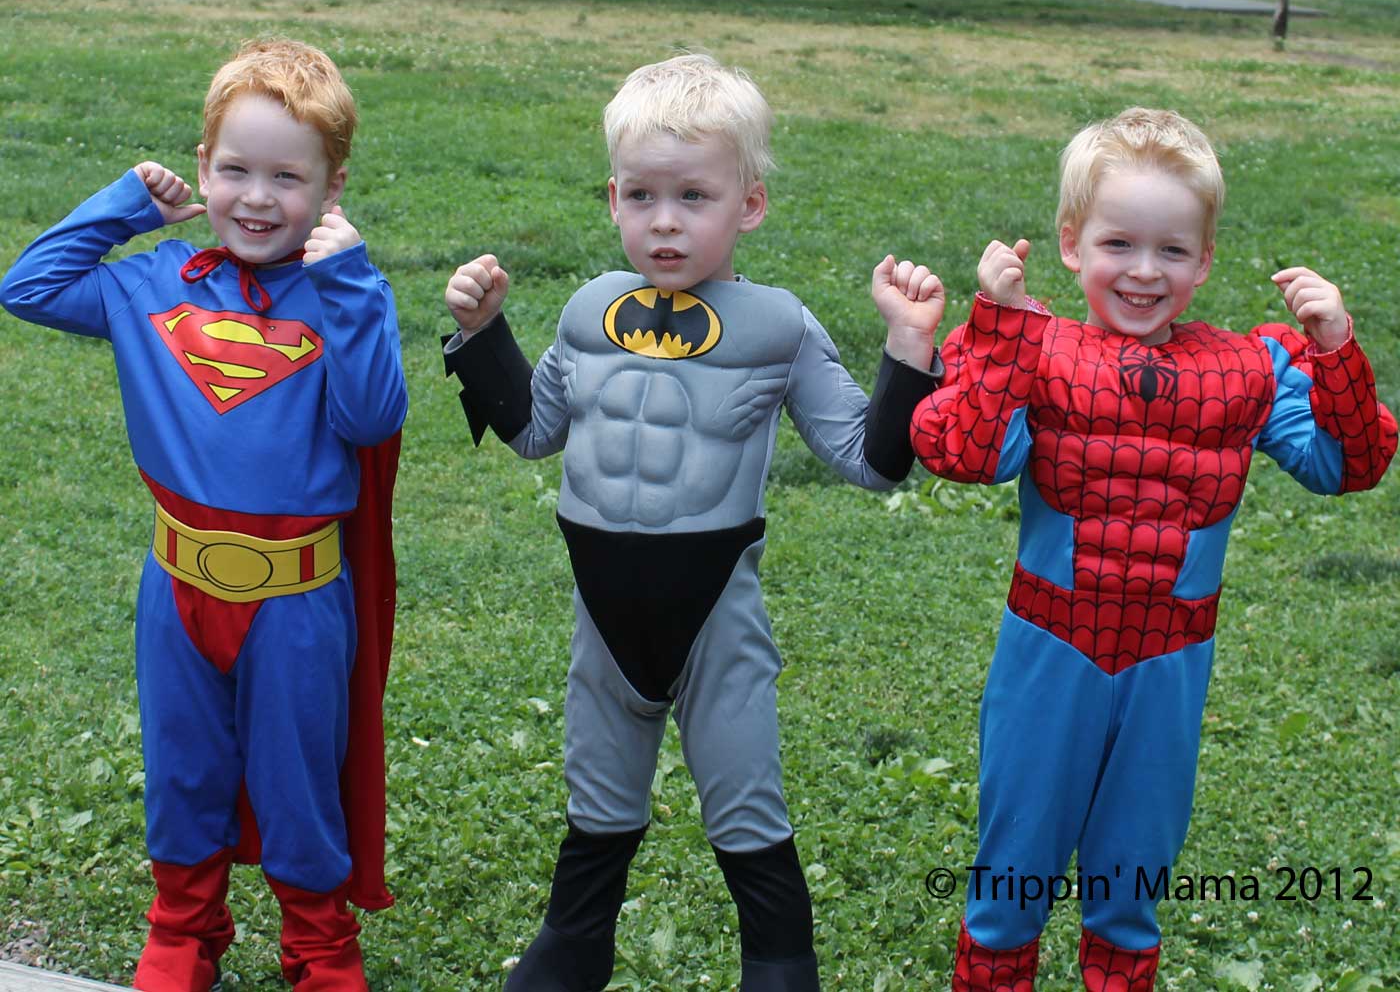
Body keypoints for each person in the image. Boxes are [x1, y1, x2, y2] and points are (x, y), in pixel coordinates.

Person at [440, 53, 946, 991]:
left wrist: (908, 348)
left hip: (715, 613)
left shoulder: (778, 327)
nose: (665, 220)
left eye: (693, 197)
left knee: (746, 806)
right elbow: (533, 433)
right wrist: (483, 335)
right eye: (641, 195)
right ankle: (573, 949)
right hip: (602, 612)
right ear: (613, 198)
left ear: (748, 205)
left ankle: (781, 966)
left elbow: (872, 462)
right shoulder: (589, 309)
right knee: (597, 803)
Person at [906, 107, 1397, 990]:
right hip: (1049, 651)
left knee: (1132, 879)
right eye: (1119, 244)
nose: (1143, 271)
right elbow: (965, 454)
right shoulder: (1037, 351)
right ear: (1071, 244)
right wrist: (1000, 328)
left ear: (1204, 260)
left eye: (1172, 250)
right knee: (1012, 873)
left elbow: (1348, 466)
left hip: (1170, 664)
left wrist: (1336, 352)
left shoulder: (1251, 371)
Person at [0, 37, 407, 992]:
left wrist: (350, 285)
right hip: (177, 588)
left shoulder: (343, 294)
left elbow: (371, 417)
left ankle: (319, 945)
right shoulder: (150, 284)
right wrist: (128, 206)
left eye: (287, 178)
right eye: (235, 170)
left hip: (298, 600)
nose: (257, 199)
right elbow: (27, 286)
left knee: (299, 774)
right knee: (182, 765)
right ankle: (183, 930)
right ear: (203, 167)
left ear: (332, 187)